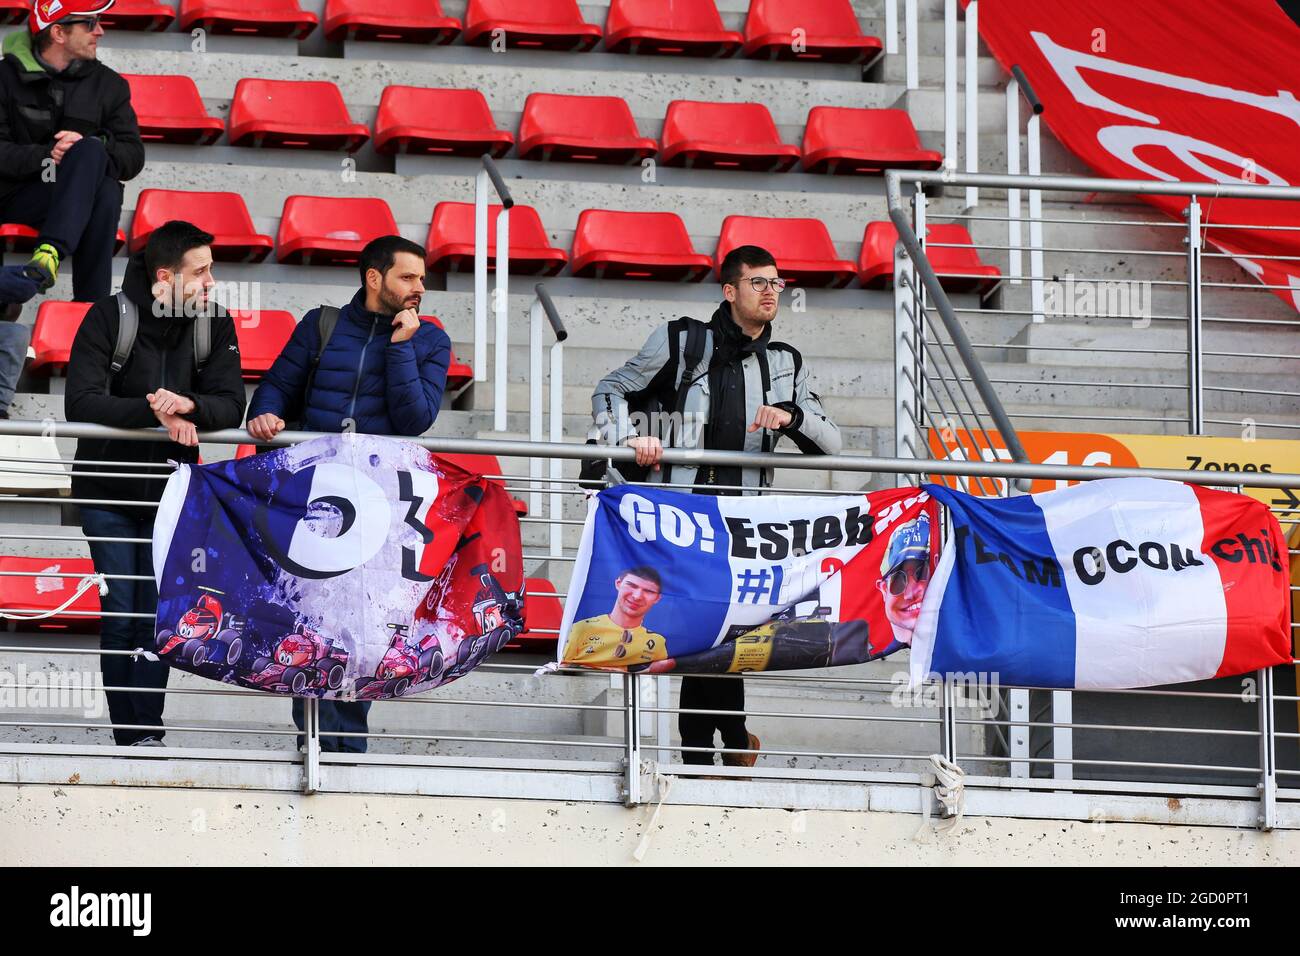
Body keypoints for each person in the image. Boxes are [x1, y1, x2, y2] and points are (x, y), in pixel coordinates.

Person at [591, 244, 842, 771]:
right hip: (681, 521)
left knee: (721, 638)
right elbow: (613, 389)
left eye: (777, 282)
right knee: (704, 635)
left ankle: (706, 759)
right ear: (729, 290)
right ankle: (721, 751)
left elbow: (831, 443)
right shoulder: (683, 340)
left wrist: (791, 417)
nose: (772, 291)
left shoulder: (785, 362)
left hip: (742, 527)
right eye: (758, 283)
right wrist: (632, 438)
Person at [246, 234, 452, 754]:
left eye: (422, 279)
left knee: (366, 626)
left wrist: (402, 346)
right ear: (374, 278)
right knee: (313, 621)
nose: (418, 289)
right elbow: (277, 387)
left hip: (383, 504)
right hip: (315, 499)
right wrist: (264, 413)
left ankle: (349, 750)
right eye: (408, 277)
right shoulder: (321, 324)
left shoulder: (429, 341)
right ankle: (313, 744)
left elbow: (416, 419)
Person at [65, 219, 247, 746]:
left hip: (173, 494)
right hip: (108, 491)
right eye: (202, 271)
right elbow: (80, 402)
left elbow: (232, 403)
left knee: (158, 614)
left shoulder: (214, 323)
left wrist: (188, 404)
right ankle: (134, 735)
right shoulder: (109, 317)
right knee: (126, 608)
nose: (212, 281)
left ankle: (146, 735)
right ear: (166, 276)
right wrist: (153, 411)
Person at [0, 0, 144, 304]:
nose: (100, 32)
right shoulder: (4, 78)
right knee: (99, 183)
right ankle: (92, 309)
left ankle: (48, 256)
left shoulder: (110, 85)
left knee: (98, 169)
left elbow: (133, 156)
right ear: (58, 33)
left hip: (77, 198)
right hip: (15, 195)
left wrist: (94, 147)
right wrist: (49, 156)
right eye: (90, 24)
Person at [564, 566, 666, 670]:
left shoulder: (657, 641)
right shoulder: (580, 628)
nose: (637, 596)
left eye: (648, 591)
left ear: (657, 598)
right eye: (631, 585)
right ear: (618, 584)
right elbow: (564, 668)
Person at [873, 513, 932, 655]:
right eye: (899, 580)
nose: (911, 593)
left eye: (921, 573)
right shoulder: (862, 648)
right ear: (883, 589)